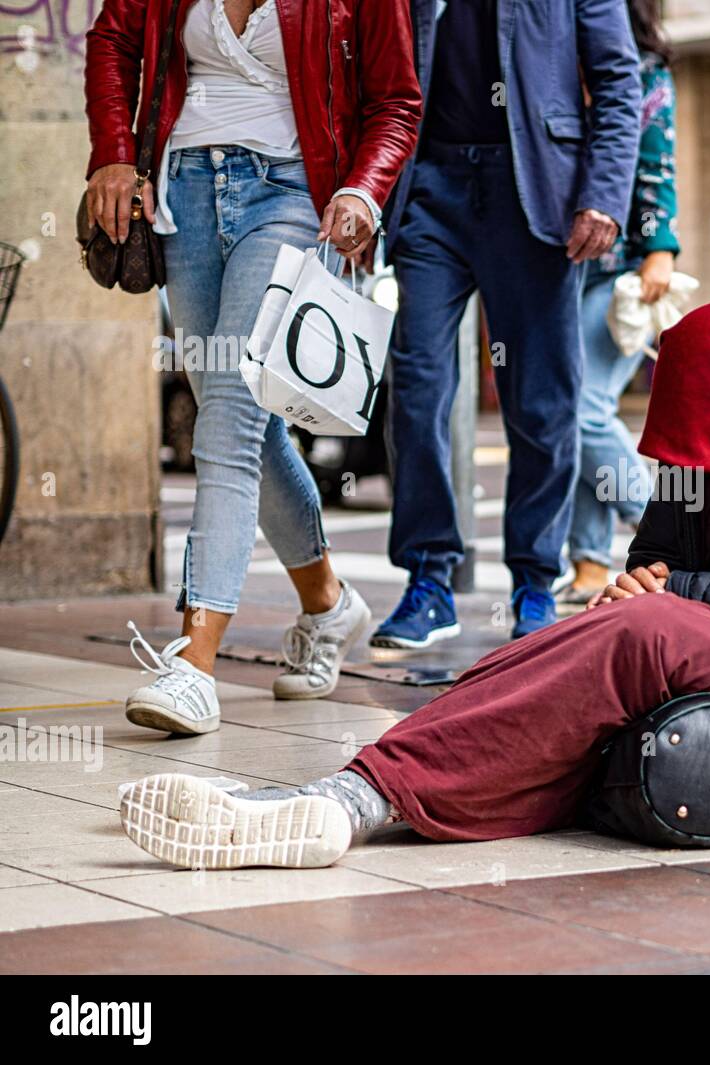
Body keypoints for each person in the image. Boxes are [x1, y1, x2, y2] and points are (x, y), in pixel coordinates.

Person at [118, 284, 710, 870]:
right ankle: (344, 792)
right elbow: (660, 556)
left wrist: (682, 594)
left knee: (643, 630)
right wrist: (647, 584)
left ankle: (350, 801)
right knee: (576, 638)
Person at [84, 0, 422, 734]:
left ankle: (194, 663)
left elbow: (396, 99)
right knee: (235, 420)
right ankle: (329, 603)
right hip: (187, 196)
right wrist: (113, 152)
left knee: (230, 421)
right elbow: (113, 36)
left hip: (293, 195)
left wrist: (364, 188)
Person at [371, 0, 642, 648]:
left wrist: (604, 192)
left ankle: (534, 580)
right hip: (429, 187)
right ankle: (429, 579)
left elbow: (617, 78)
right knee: (418, 387)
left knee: (543, 402)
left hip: (536, 193)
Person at [556, 0, 680, 609]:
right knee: (581, 409)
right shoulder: (556, 55)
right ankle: (586, 561)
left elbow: (657, 159)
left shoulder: (645, 68)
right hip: (559, 258)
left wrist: (660, 246)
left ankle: (672, 537)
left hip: (619, 263)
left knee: (582, 410)